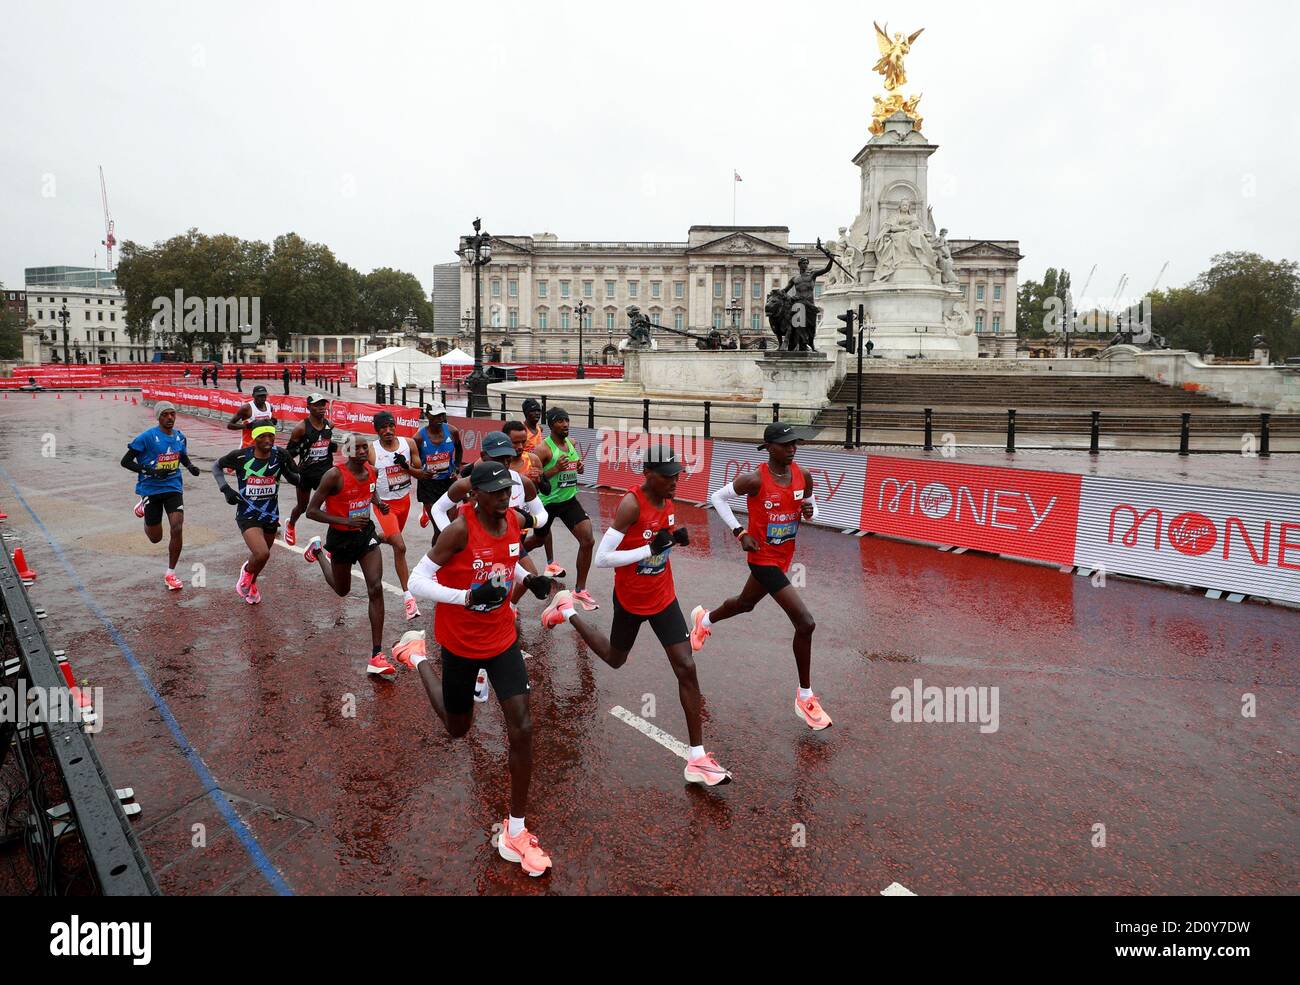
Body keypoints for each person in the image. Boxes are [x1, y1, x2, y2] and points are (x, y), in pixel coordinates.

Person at [401, 460, 558, 876]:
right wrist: (467, 597)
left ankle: (516, 829)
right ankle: (416, 656)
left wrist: (530, 580)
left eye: (509, 491)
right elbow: (417, 581)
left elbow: (509, 562)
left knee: (522, 728)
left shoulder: (511, 522)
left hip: (502, 638)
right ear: (476, 495)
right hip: (460, 642)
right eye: (497, 492)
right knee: (458, 730)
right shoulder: (458, 530)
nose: (506, 498)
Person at [540, 446, 731, 786]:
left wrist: (673, 540)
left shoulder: (669, 502)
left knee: (686, 667)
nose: (674, 481)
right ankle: (567, 610)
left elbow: (659, 542)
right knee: (615, 658)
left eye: (676, 475)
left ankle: (697, 757)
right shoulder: (631, 504)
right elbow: (602, 558)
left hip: (663, 597)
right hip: (630, 599)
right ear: (648, 474)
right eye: (667, 475)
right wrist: (651, 548)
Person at [689, 422, 830, 730]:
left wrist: (810, 512)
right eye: (785, 444)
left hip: (783, 557)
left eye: (795, 443)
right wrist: (740, 532)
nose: (792, 448)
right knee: (805, 622)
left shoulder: (803, 476)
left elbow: (812, 506)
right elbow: (717, 498)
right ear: (769, 448)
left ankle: (705, 620)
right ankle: (804, 696)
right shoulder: (754, 480)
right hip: (762, 558)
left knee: (745, 603)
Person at [302, 434, 393, 676]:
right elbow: (311, 511)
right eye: (358, 447)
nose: (363, 451)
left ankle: (377, 654)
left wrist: (379, 503)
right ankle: (318, 552)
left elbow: (370, 491)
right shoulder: (334, 475)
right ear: (347, 450)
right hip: (341, 538)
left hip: (365, 535)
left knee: (375, 587)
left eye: (366, 447)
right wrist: (346, 521)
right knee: (343, 590)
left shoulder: (372, 471)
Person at [212, 424, 302, 605]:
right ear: (254, 438)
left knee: (263, 556)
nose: (268, 440)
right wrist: (226, 489)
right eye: (263, 436)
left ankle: (252, 582)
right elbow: (216, 466)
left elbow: (293, 477)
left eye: (271, 436)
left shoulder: (279, 455)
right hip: (247, 513)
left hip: (270, 514)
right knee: (261, 554)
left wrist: (307, 477)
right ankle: (246, 571)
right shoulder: (241, 456)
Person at [121, 401, 202, 591]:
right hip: (150, 489)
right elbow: (125, 461)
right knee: (155, 538)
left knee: (177, 526)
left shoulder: (180, 437)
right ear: (158, 417)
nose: (170, 418)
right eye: (165, 414)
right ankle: (143, 505)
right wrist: (150, 470)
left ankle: (171, 573)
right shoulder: (147, 437)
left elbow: (181, 456)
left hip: (173, 487)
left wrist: (190, 467)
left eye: (172, 414)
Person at [528, 407, 598, 609]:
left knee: (588, 539)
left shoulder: (572, 443)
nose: (565, 424)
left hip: (568, 501)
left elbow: (574, 464)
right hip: (547, 503)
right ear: (551, 425)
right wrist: (555, 469)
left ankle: (580, 590)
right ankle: (514, 553)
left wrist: (579, 466)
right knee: (538, 541)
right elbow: (535, 478)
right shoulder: (543, 449)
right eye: (560, 421)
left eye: (567, 420)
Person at [368, 411, 424, 620]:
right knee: (400, 546)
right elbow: (367, 484)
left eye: (391, 426)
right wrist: (378, 503)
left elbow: (420, 471)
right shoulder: (372, 452)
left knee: (392, 539)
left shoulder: (408, 444)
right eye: (383, 427)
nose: (388, 430)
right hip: (385, 505)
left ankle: (364, 537)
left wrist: (406, 466)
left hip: (404, 501)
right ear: (377, 430)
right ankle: (409, 599)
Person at [283, 393, 336, 546]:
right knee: (302, 506)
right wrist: (300, 452)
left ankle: (334, 544)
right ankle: (291, 524)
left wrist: (330, 446)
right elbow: (288, 454)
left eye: (323, 405)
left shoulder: (329, 425)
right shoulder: (300, 428)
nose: (321, 408)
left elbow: (326, 443)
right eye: (317, 405)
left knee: (336, 505)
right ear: (309, 407)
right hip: (306, 473)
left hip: (325, 472)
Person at [414, 402, 462, 531]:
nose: (440, 419)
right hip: (428, 486)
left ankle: (445, 550)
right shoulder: (418, 438)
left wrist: (456, 468)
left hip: (448, 482)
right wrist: (422, 472)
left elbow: (459, 448)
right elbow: (414, 462)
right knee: (439, 529)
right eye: (436, 416)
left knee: (449, 526)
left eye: (442, 415)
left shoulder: (452, 431)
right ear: (427, 415)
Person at [227, 384, 275, 449]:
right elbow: (230, 425)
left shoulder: (269, 407)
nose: (262, 398)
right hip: (248, 446)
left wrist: (272, 422)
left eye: (264, 395)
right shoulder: (246, 408)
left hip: (264, 446)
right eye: (259, 396)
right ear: (253, 396)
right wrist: (247, 426)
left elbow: (273, 422)